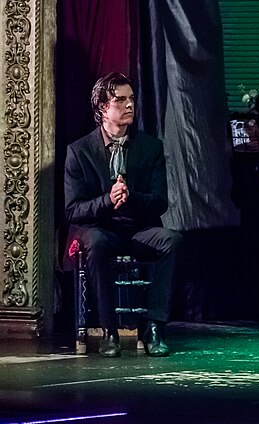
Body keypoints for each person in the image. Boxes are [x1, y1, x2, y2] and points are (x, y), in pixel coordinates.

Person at [65, 73, 182, 357]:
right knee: (96, 243)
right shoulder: (79, 151)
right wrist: (108, 200)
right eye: (120, 100)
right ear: (103, 107)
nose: (129, 105)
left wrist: (130, 196)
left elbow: (160, 202)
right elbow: (73, 210)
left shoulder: (150, 148)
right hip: (101, 228)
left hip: (138, 229)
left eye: (131, 99)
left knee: (171, 240)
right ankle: (109, 331)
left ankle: (154, 327)